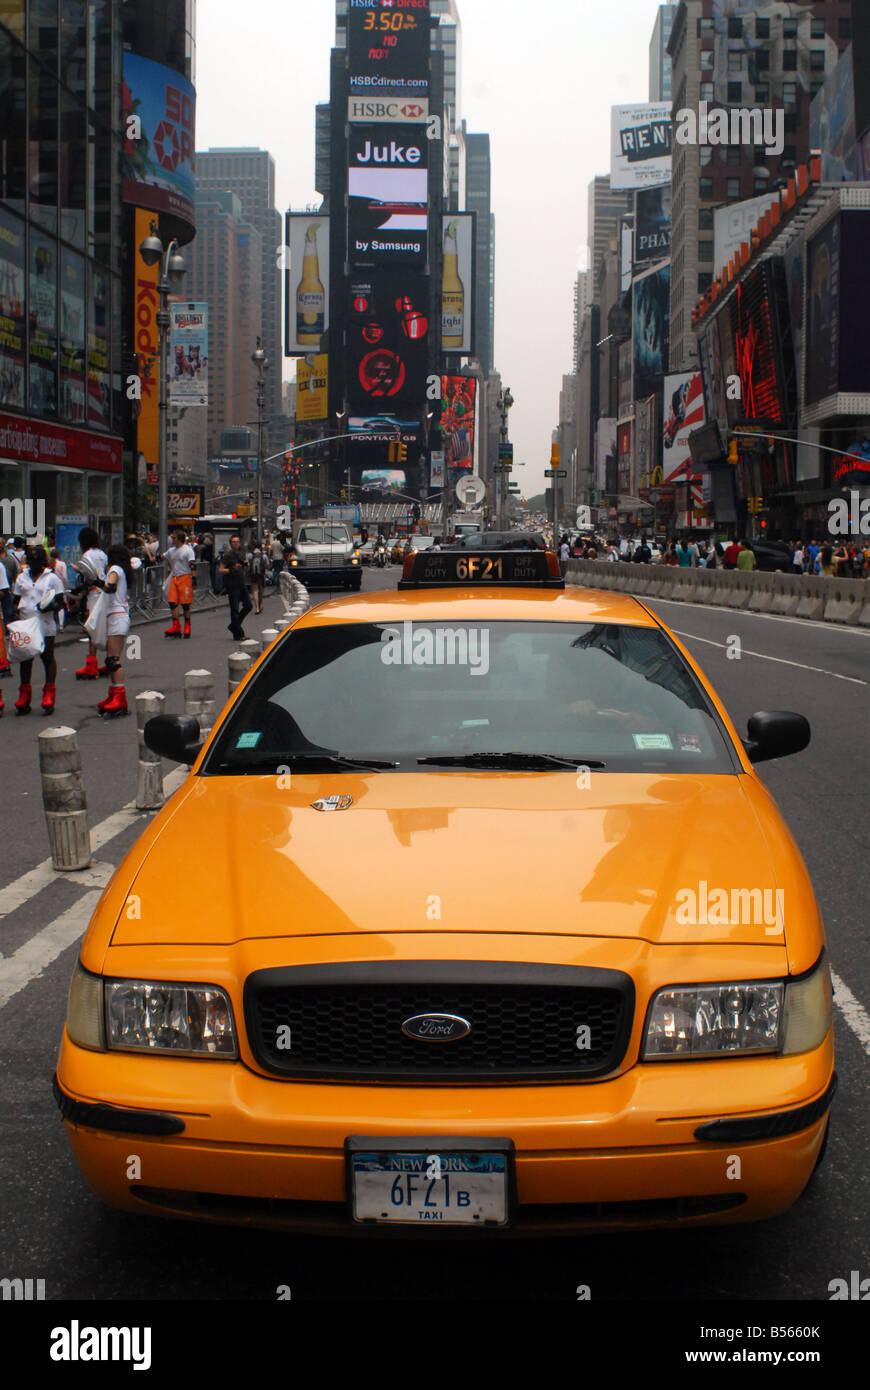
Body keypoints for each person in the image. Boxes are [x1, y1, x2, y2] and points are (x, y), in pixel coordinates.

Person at [11, 545, 64, 714]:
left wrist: (50, 607)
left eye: (34, 561)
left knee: (47, 657)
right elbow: (16, 600)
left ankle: (49, 693)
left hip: (45, 624)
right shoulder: (21, 578)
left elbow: (61, 602)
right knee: (25, 659)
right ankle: (24, 696)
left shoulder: (52, 578)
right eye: (29, 560)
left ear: (42, 562)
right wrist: (15, 618)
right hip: (26, 624)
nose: (31, 564)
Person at [94, 544, 133, 717]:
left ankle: (119, 697)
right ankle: (113, 695)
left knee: (113, 660)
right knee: (110, 659)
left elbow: (111, 587)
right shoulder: (122, 569)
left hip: (117, 616)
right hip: (117, 615)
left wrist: (97, 582)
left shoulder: (115, 569)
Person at [74, 527, 108, 680]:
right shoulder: (102, 554)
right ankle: (109, 662)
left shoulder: (86, 555)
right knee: (105, 628)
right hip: (105, 593)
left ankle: (92, 665)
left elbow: (87, 576)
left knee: (92, 629)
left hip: (93, 593)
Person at [163, 529, 196, 638]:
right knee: (172, 602)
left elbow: (192, 564)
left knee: (185, 604)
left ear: (180, 539)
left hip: (185, 577)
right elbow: (164, 556)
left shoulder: (187, 550)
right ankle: (176, 626)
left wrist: (194, 578)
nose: (172, 540)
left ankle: (188, 626)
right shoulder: (171, 550)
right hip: (174, 577)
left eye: (174, 538)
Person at [219, 535, 252, 641]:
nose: (236, 543)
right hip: (232, 585)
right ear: (230, 543)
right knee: (234, 609)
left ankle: (234, 626)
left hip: (241, 583)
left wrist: (247, 565)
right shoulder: (227, 555)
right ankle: (238, 634)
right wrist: (231, 570)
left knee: (248, 606)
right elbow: (220, 570)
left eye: (237, 541)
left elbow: (245, 569)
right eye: (234, 542)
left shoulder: (242, 554)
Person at [249, 540, 267, 614]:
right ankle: (260, 605)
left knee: (255, 590)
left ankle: (256, 608)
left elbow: (248, 565)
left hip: (253, 575)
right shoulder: (264, 555)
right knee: (261, 590)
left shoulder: (250, 555)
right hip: (261, 575)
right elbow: (267, 565)